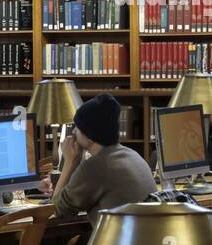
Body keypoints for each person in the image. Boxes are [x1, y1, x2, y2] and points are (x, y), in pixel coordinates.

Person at [52, 93, 156, 226]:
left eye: (78, 127)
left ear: (90, 135)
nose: (73, 132)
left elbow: (57, 209)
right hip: (141, 243)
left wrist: (69, 162)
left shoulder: (95, 167)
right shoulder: (132, 155)